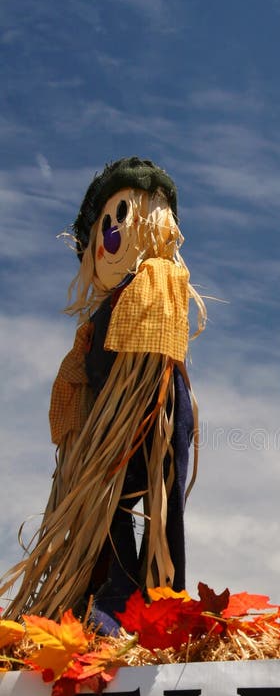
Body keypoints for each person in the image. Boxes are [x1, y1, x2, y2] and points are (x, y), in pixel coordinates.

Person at [1, 157, 205, 633]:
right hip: (101, 432)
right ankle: (108, 589)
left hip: (150, 417)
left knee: (159, 501)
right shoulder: (98, 319)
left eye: (122, 216)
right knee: (105, 506)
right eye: (104, 225)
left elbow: (151, 355)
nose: (112, 233)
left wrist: (126, 407)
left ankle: (156, 593)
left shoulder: (156, 285)